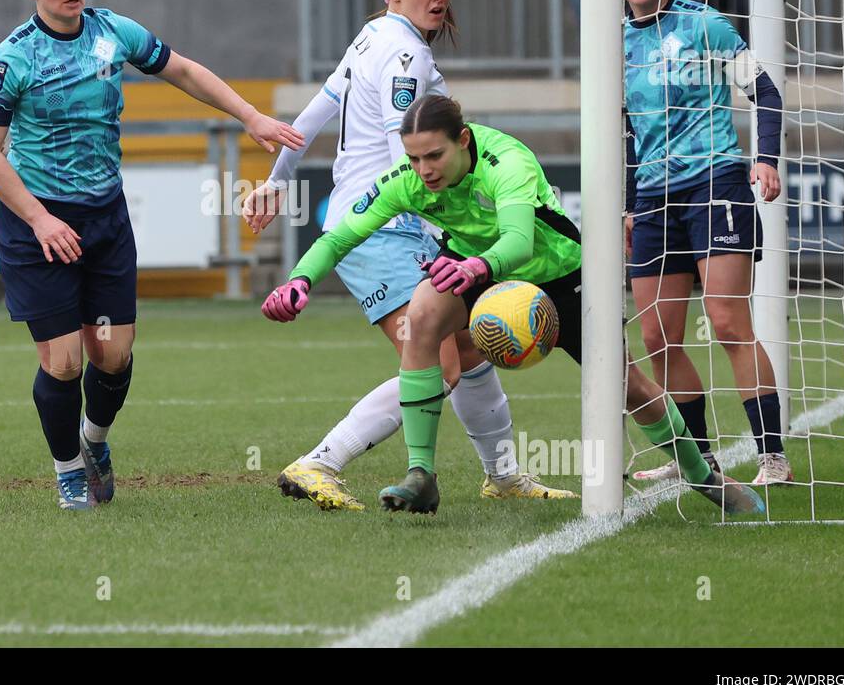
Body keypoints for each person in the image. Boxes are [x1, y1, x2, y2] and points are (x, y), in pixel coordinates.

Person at [263, 94, 766, 517]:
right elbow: (343, 235)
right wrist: (300, 279)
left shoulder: (508, 161)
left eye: (433, 156)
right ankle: (422, 473)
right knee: (421, 319)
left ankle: (702, 474)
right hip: (474, 267)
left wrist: (475, 268)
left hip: (560, 274)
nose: (423, 170)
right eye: (414, 159)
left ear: (463, 141)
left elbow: (519, 242)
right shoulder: (408, 179)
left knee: (626, 384)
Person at [0, 0, 303, 511]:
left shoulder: (111, 32)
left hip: (103, 218)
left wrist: (249, 115)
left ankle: (94, 441)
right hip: (36, 224)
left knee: (113, 354)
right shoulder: (10, 60)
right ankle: (68, 470)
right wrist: (41, 220)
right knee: (65, 360)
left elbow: (182, 70)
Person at [242, 0, 573, 511]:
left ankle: (504, 476)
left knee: (468, 349)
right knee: (438, 360)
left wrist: (277, 179)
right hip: (382, 227)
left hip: (374, 220)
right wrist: (446, 229)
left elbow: (316, 112)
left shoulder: (372, 35)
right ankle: (320, 463)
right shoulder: (405, 55)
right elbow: (410, 160)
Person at [623, 0, 790, 485]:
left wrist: (764, 159)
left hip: (715, 182)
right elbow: (626, 129)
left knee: (725, 320)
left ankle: (773, 456)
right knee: (655, 335)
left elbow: (765, 92)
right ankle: (698, 460)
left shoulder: (704, 24)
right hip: (652, 198)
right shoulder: (615, 42)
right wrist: (626, 201)